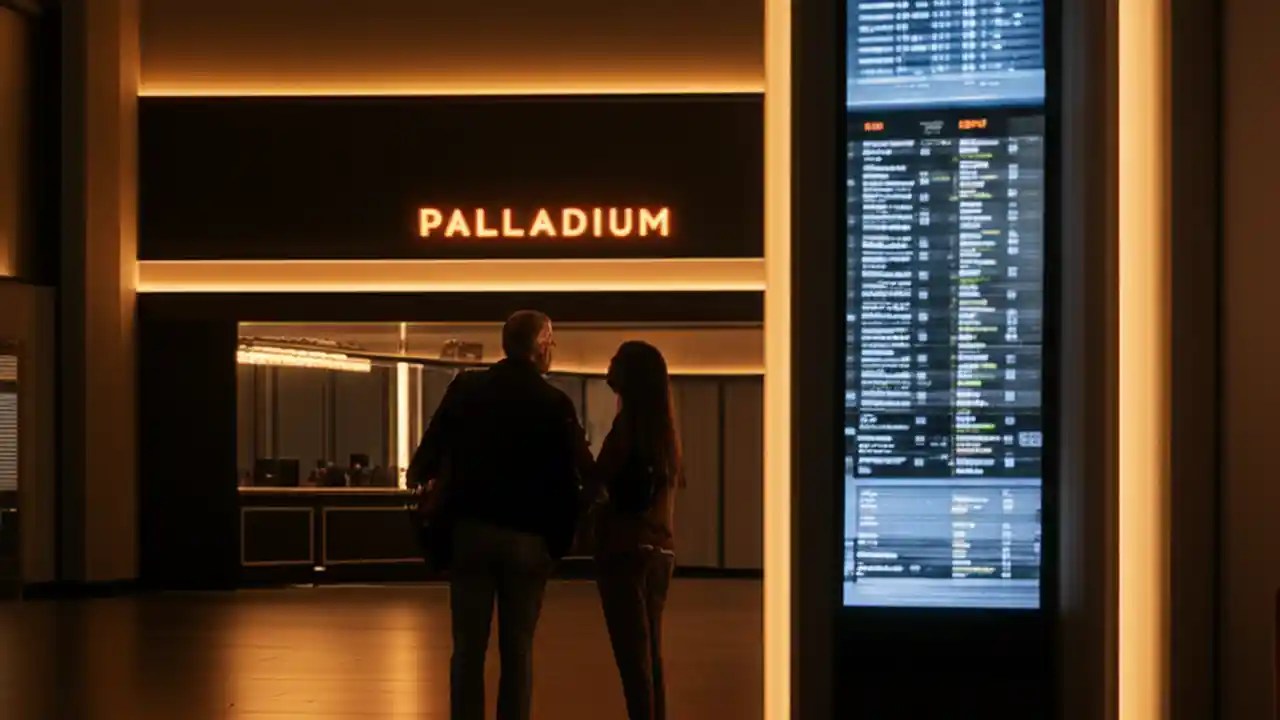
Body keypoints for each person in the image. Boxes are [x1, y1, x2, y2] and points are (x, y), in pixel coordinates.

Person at [407, 310, 591, 720]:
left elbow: (427, 457)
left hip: (470, 533)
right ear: (539, 347)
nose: (553, 349)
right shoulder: (554, 403)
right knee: (518, 648)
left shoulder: (466, 389)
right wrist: (560, 541)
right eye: (551, 341)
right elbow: (573, 476)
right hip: (528, 539)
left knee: (468, 648)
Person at [586, 341, 682, 720]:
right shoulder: (664, 431)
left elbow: (599, 480)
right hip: (660, 549)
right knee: (650, 652)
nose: (608, 366)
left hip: (624, 548)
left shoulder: (626, 427)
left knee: (632, 658)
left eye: (616, 361)